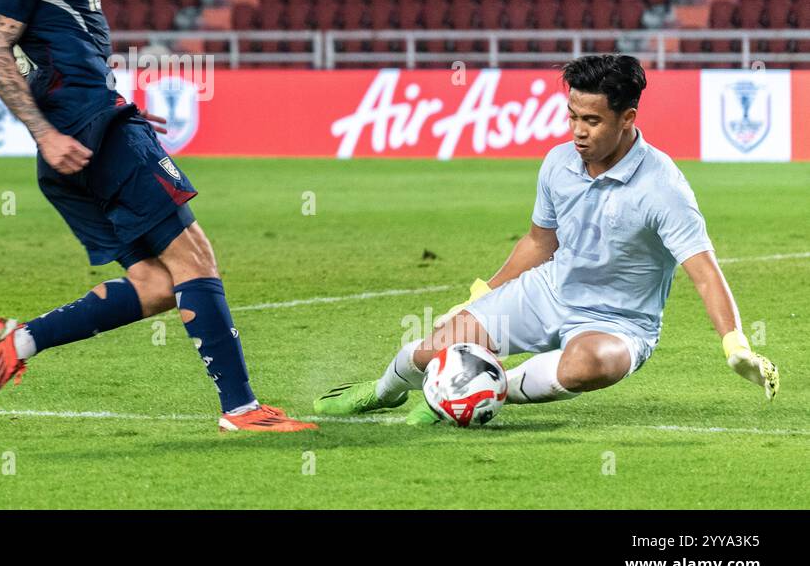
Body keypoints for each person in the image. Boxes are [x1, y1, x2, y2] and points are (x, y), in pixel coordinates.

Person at [0, 0, 316, 431]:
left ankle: (15, 345)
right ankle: (240, 409)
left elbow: (38, 50)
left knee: (157, 283)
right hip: (87, 136)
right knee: (196, 258)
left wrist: (96, 105)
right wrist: (47, 132)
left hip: (90, 128)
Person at [315, 55, 779, 421]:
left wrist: (735, 345)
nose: (578, 131)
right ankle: (379, 393)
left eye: (592, 121)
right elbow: (539, 242)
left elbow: (704, 273)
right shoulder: (558, 162)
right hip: (548, 292)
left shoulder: (664, 187)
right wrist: (479, 295)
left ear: (627, 118)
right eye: (572, 116)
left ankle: (479, 393)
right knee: (430, 348)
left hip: (619, 322)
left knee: (590, 364)